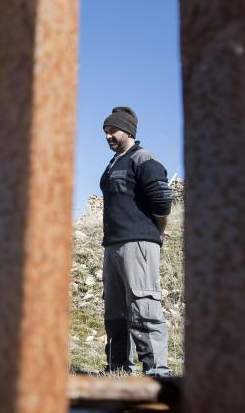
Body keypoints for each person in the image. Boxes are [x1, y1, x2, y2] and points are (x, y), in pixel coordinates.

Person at [99, 105, 172, 376]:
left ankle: (157, 373)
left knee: (144, 307)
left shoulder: (142, 157)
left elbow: (162, 199)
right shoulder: (114, 162)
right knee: (115, 314)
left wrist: (159, 230)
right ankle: (118, 369)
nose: (108, 136)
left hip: (138, 243)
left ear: (128, 131)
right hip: (113, 246)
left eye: (113, 130)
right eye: (105, 131)